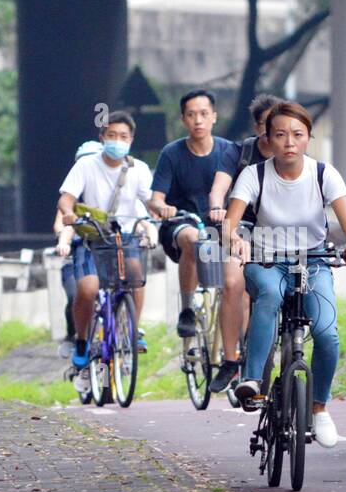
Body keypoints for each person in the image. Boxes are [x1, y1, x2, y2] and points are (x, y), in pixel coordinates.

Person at [223, 101, 346, 448]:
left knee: (327, 333)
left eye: (297, 135)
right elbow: (230, 221)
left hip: (313, 260)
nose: (289, 142)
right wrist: (236, 240)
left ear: (308, 138)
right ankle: (252, 381)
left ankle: (320, 408)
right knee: (269, 297)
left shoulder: (322, 173)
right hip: (267, 260)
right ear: (267, 139)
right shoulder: (254, 175)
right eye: (281, 135)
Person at [148, 89, 244, 363]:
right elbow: (155, 199)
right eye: (191, 115)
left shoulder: (229, 151)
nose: (198, 120)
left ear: (214, 116)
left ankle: (238, 352)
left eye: (203, 114)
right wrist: (162, 207)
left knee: (238, 281)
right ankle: (188, 310)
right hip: (182, 224)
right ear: (183, 119)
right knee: (193, 238)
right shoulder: (172, 154)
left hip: (224, 228)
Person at [56, 112, 153, 380]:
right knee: (87, 289)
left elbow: (150, 201)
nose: (117, 141)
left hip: (124, 238)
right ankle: (82, 339)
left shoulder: (140, 169)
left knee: (136, 274)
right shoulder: (86, 166)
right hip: (92, 237)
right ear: (102, 137)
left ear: (131, 140)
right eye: (112, 135)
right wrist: (68, 213)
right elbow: (67, 199)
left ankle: (133, 329)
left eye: (123, 136)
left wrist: (161, 209)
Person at [206, 92, 280, 392]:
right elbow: (218, 188)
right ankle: (230, 358)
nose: (277, 133)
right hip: (242, 227)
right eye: (268, 125)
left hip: (282, 231)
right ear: (257, 127)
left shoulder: (294, 155)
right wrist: (217, 207)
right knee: (234, 284)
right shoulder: (239, 154)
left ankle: (290, 350)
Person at [54, 141, 104, 353]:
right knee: (79, 294)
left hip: (103, 253)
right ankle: (75, 334)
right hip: (75, 254)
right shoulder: (71, 199)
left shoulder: (106, 196)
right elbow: (60, 225)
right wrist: (66, 237)